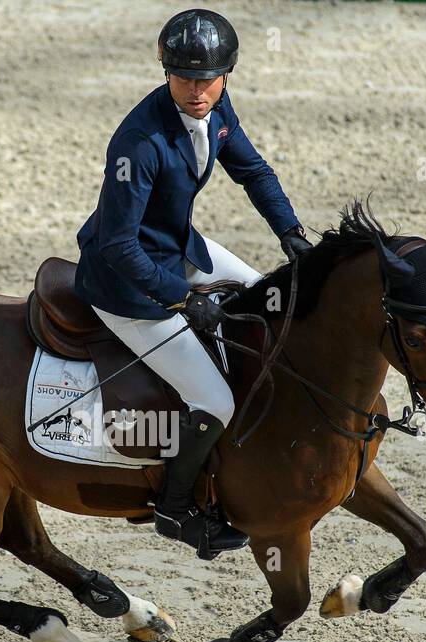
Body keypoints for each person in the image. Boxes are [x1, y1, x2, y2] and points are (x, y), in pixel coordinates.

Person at [74, 8, 312, 556]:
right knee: (212, 398)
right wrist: (185, 299)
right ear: (166, 74)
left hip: (177, 246)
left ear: (226, 75)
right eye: (185, 78)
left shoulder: (217, 107)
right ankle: (176, 511)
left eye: (208, 78)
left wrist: (292, 234)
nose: (197, 90)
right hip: (126, 285)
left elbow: (253, 171)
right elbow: (118, 244)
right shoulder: (138, 143)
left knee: (269, 302)